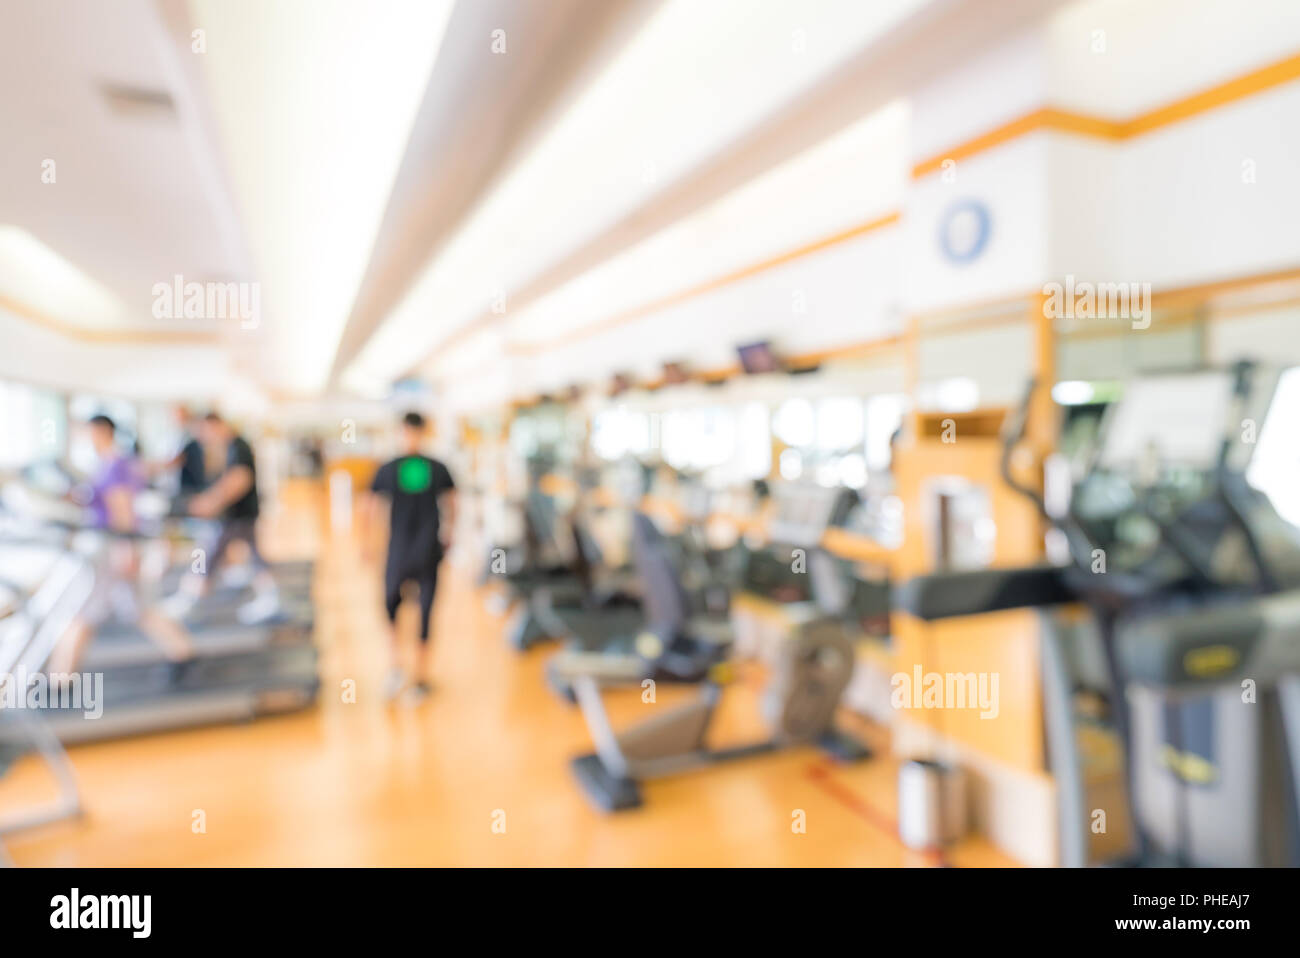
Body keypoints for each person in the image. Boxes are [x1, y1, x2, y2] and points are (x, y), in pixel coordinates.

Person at [49, 415, 193, 673]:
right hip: (111, 542)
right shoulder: (109, 463)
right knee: (138, 609)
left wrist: (125, 549)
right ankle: (182, 652)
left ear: (103, 431)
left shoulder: (115, 464)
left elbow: (123, 509)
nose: (85, 438)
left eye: (88, 432)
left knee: (84, 610)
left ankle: (60, 678)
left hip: (112, 544)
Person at [363, 411, 456, 703]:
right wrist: (367, 543)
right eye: (406, 432)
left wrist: (450, 535)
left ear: (422, 433)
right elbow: (370, 505)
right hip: (398, 550)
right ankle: (395, 667)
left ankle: (421, 676)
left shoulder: (439, 468)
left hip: (428, 550)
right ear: (400, 433)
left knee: (426, 611)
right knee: (390, 604)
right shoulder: (388, 468)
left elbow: (452, 502)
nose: (410, 437)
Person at [160, 412, 282, 625]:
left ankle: (190, 598)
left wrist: (211, 502)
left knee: (205, 555)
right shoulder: (223, 448)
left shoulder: (238, 446)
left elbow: (239, 479)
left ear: (216, 426)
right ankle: (270, 598)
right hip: (235, 516)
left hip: (234, 516)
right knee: (251, 557)